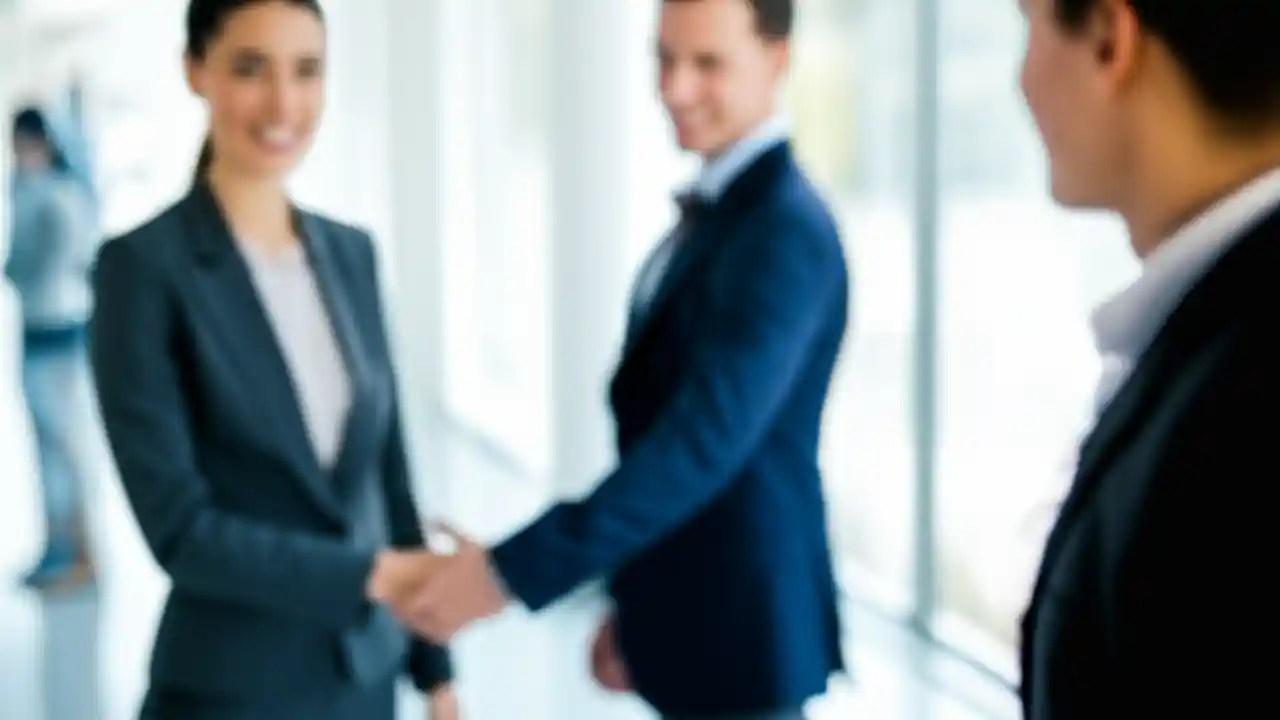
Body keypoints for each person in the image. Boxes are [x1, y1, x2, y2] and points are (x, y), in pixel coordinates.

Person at [382, 1, 851, 718]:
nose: (674, 88)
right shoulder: (722, 211)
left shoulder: (783, 231)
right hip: (697, 611)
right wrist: (638, 599)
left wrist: (506, 574)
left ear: (777, 59)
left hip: (742, 632)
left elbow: (698, 447)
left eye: (707, 63)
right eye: (663, 58)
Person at [90, 1, 459, 717]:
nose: (284, 102)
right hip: (232, 687)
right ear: (196, 71)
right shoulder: (141, 270)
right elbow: (181, 530)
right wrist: (372, 574)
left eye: (307, 70)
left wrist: (436, 674)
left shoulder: (351, 254)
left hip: (365, 678)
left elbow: (389, 481)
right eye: (250, 68)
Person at [1016, 0, 1280, 717]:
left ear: (1108, 40)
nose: (1022, 79)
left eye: (1027, 26)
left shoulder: (1239, 400)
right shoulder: (1219, 326)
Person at [6, 105, 100, 590]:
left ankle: (73, 554)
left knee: (62, 446)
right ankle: (59, 549)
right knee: (51, 446)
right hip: (43, 327)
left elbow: (34, 258)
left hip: (57, 330)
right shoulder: (33, 188)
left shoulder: (53, 193)